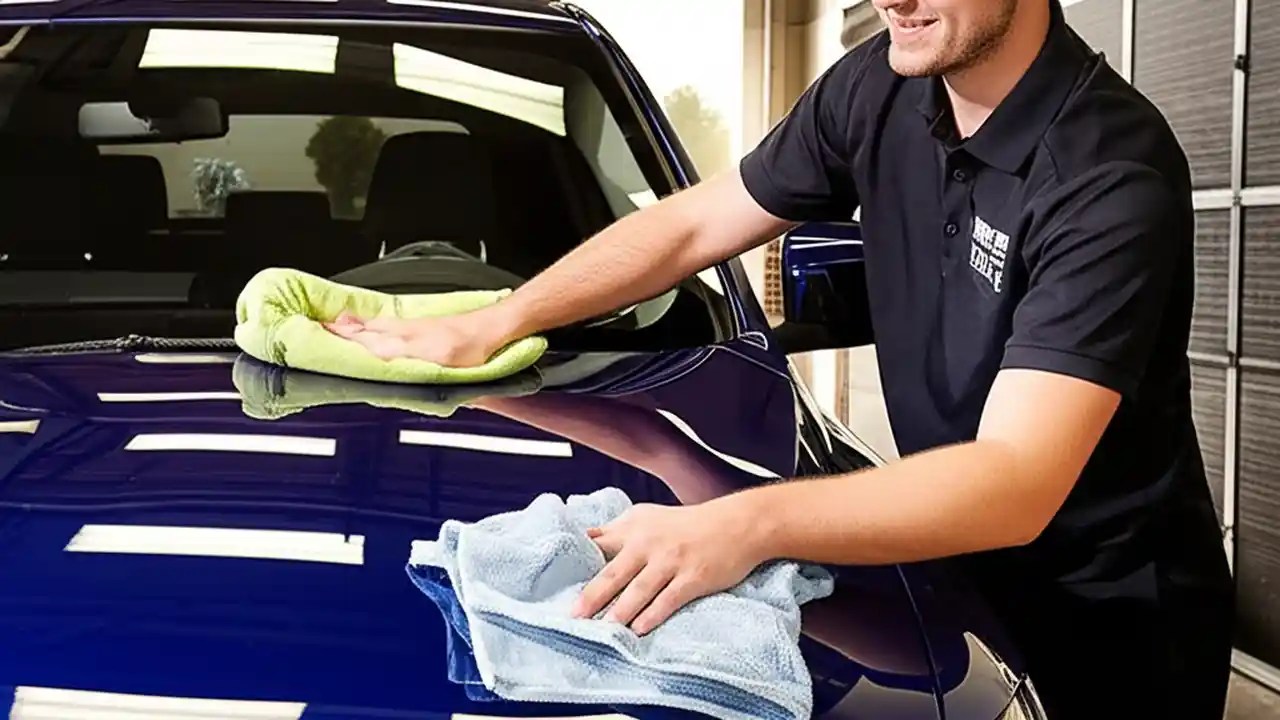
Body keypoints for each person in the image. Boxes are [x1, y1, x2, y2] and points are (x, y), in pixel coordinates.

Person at [326, 0, 1234, 716]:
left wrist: (738, 526)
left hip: (1105, 628)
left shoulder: (1110, 174)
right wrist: (495, 322)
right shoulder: (878, 88)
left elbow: (1013, 481)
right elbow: (690, 224)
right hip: (933, 563)